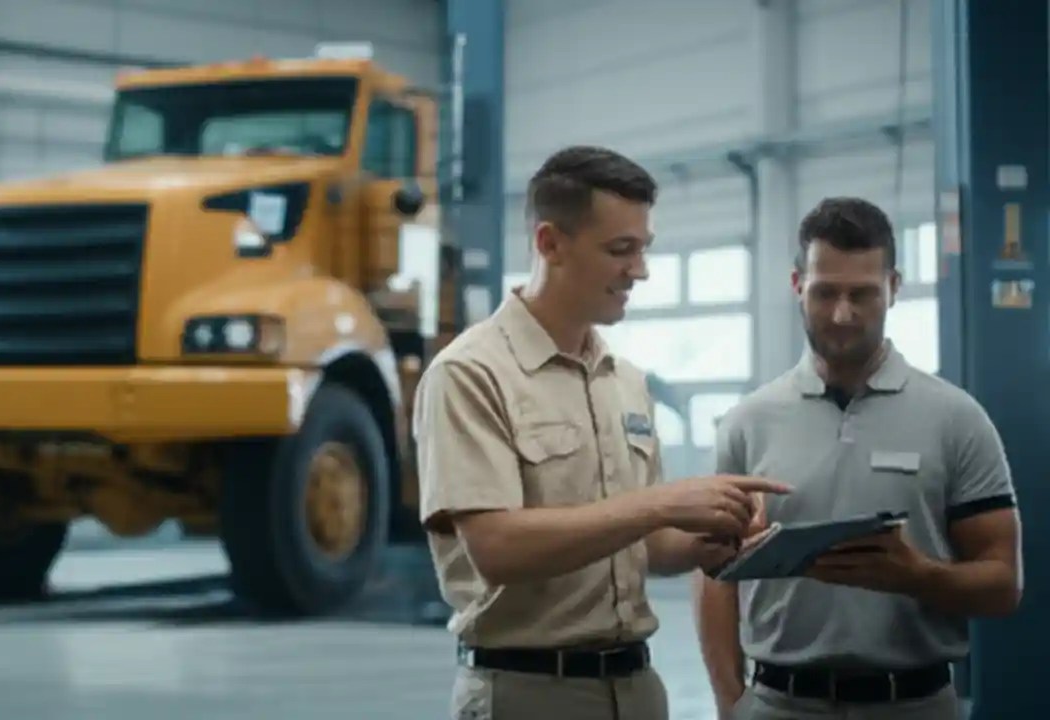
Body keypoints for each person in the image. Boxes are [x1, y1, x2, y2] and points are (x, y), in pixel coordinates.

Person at [412, 145, 791, 720]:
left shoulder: (625, 381)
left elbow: (647, 546)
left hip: (635, 688)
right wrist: (661, 504)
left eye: (643, 248)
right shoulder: (470, 374)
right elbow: (496, 547)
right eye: (620, 250)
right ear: (550, 244)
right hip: (527, 693)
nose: (640, 270)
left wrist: (710, 543)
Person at [694, 197, 1023, 719]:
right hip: (778, 705)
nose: (842, 314)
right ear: (797, 285)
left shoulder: (957, 419)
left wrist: (917, 575)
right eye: (825, 292)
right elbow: (713, 575)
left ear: (894, 286)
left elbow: (1003, 585)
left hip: (914, 704)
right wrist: (729, 701)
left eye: (862, 294)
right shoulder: (747, 422)